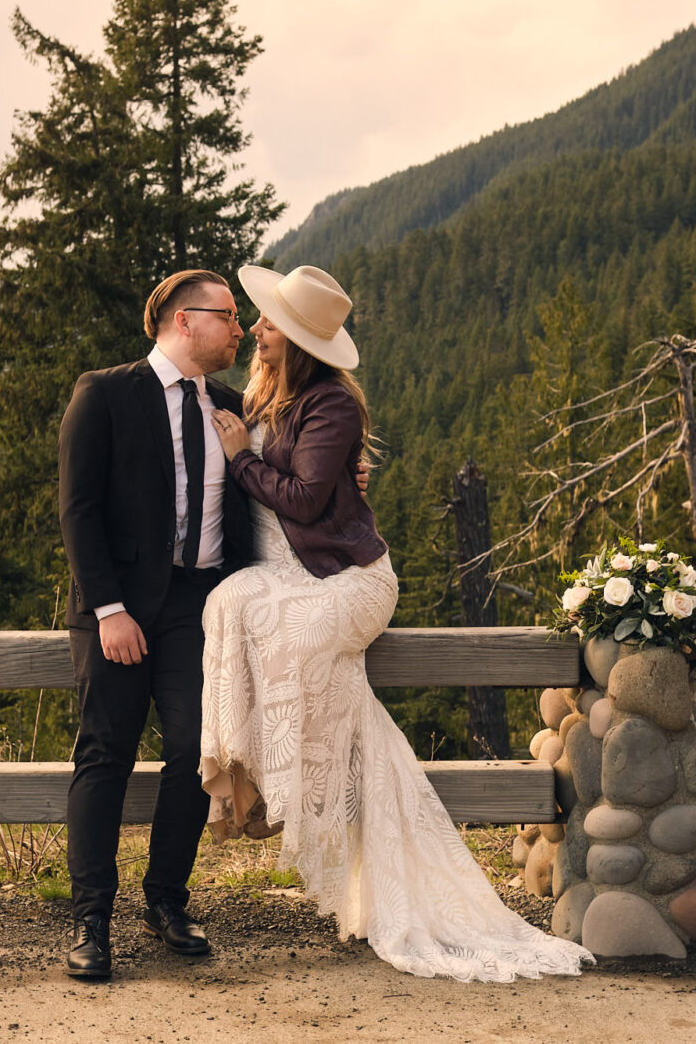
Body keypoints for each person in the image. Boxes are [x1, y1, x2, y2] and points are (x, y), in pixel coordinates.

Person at [199, 264, 594, 983]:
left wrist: (239, 459)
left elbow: (306, 499)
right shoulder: (262, 392)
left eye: (267, 322)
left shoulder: (332, 404)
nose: (256, 328)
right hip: (293, 577)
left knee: (300, 640)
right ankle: (266, 786)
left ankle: (295, 795)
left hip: (350, 581)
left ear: (296, 340)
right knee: (228, 606)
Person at [57, 269, 254, 979]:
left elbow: (290, 474)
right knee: (105, 754)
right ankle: (90, 920)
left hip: (198, 605)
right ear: (181, 320)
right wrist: (109, 609)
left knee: (192, 756)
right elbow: (77, 510)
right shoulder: (104, 394)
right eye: (228, 315)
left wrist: (350, 475)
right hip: (117, 607)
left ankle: (165, 901)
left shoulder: (232, 407)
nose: (240, 329)